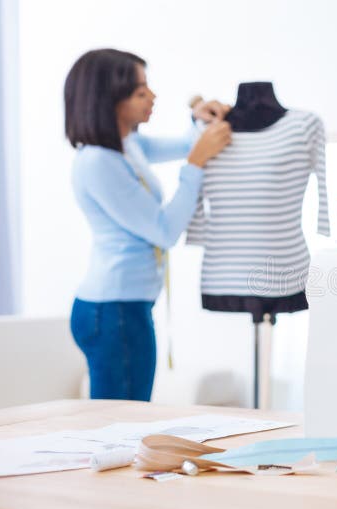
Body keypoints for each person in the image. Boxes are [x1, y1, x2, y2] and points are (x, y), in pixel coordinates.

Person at [65, 48, 232, 401]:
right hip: (115, 312)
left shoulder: (126, 145)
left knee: (121, 419)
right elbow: (164, 231)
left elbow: (186, 144)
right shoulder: (98, 162)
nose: (153, 97)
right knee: (120, 423)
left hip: (120, 308)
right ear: (109, 100)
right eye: (141, 92)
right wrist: (195, 164)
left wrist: (196, 121)